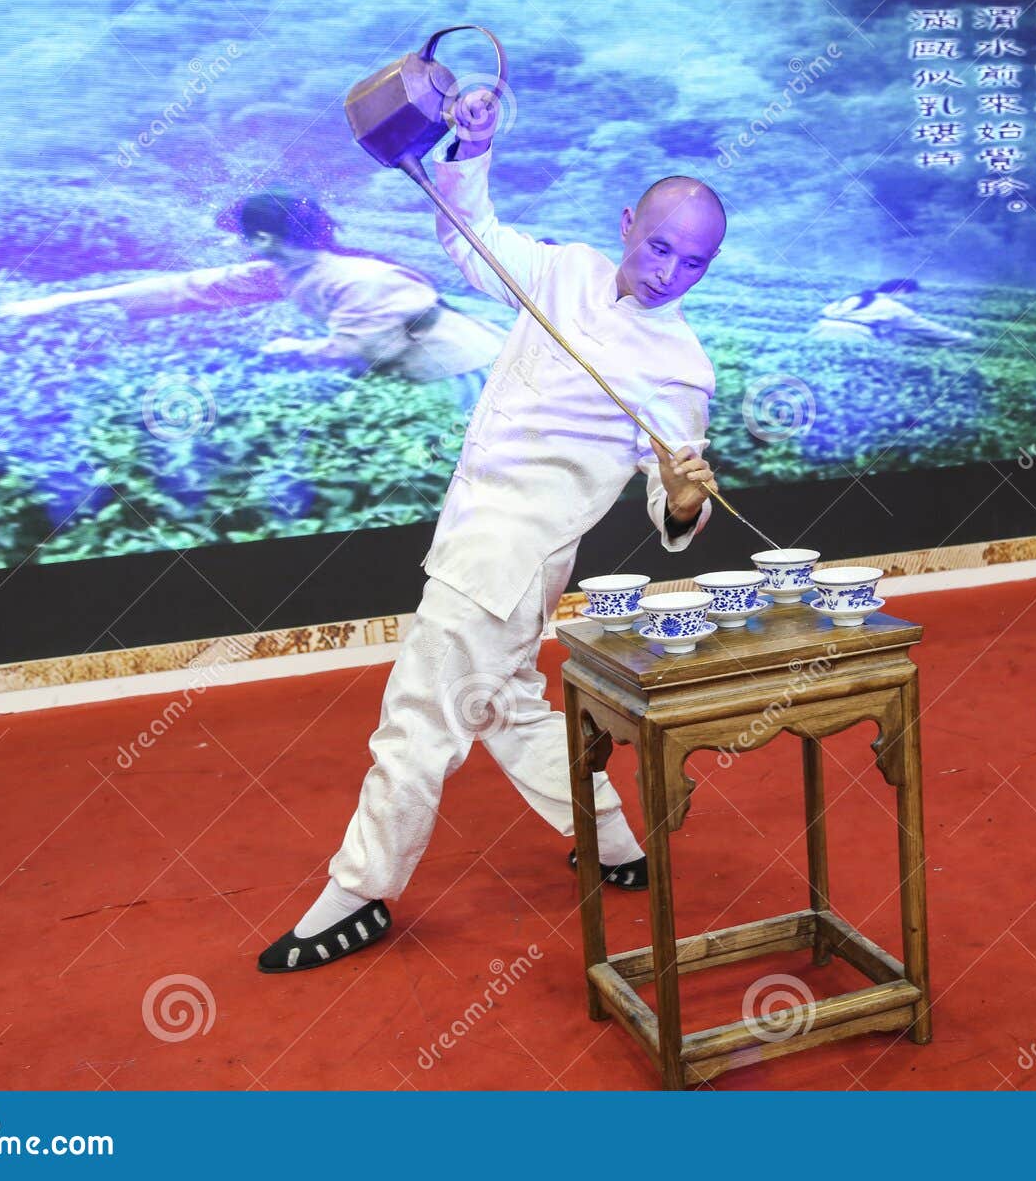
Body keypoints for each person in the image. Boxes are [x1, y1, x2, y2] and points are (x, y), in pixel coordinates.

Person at [257, 87, 727, 973]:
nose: (668, 272)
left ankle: (358, 893)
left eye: (693, 263)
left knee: (419, 719)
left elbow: (677, 512)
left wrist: (682, 492)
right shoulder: (565, 270)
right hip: (477, 528)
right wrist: (473, 145)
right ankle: (616, 841)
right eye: (659, 246)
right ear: (629, 224)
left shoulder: (682, 367)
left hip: (515, 552)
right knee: (505, 703)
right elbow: (469, 239)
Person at [0, 188, 504, 411]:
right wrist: (62, 303)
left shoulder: (357, 279)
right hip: (427, 370)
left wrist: (294, 351)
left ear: (264, 238)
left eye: (244, 235)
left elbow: (357, 348)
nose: (238, 245)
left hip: (461, 369)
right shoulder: (286, 272)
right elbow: (191, 289)